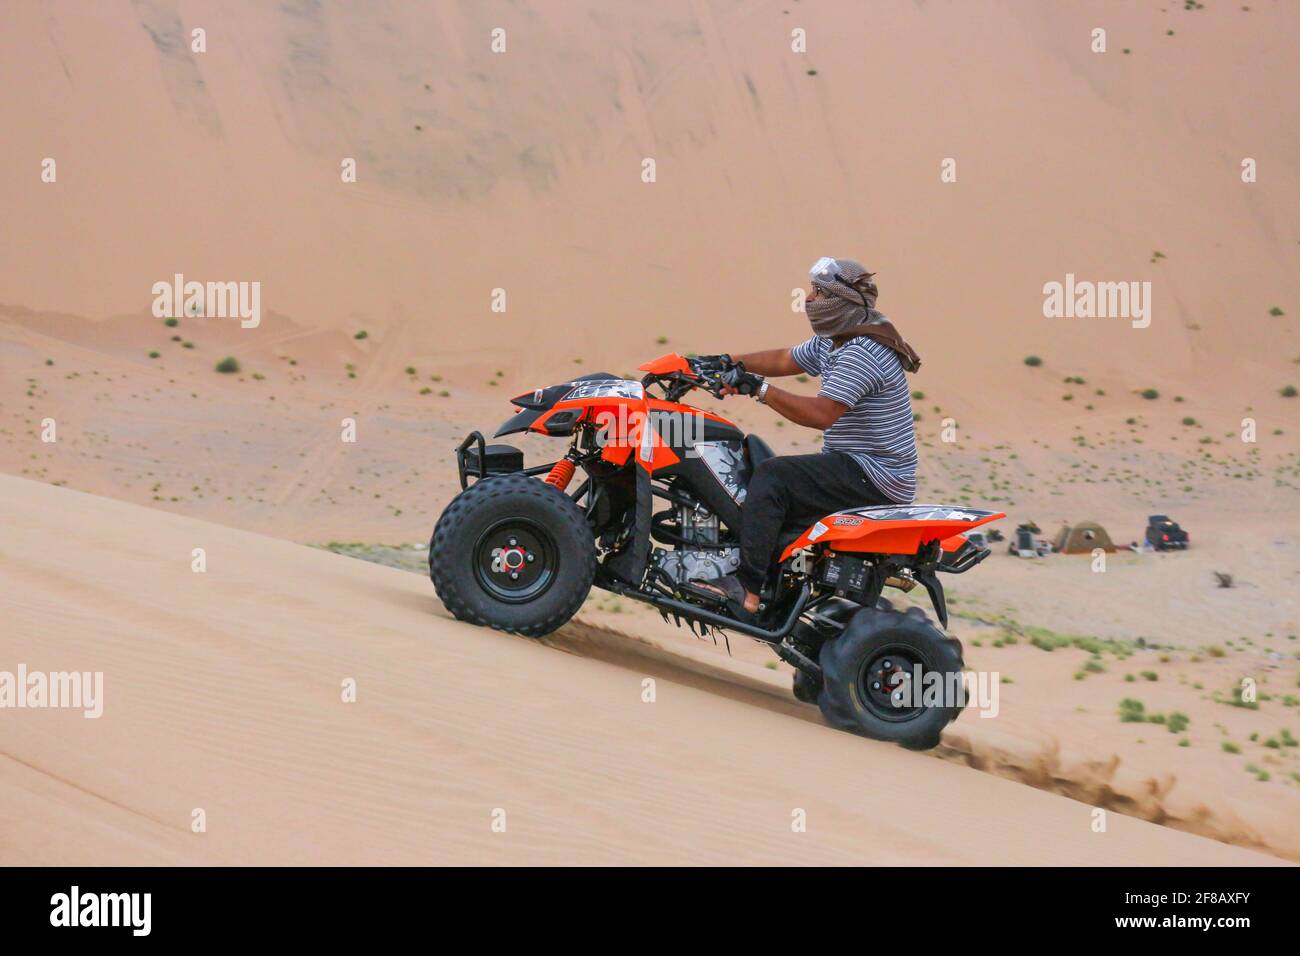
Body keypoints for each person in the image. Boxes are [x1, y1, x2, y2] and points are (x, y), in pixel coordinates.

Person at [693, 257, 922, 618]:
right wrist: (725, 361)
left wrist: (757, 388)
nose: (810, 299)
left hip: (875, 475)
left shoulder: (864, 351)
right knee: (753, 462)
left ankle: (747, 589)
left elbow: (821, 414)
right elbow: (786, 359)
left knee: (774, 476)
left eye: (820, 292)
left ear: (842, 301)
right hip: (855, 466)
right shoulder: (837, 339)